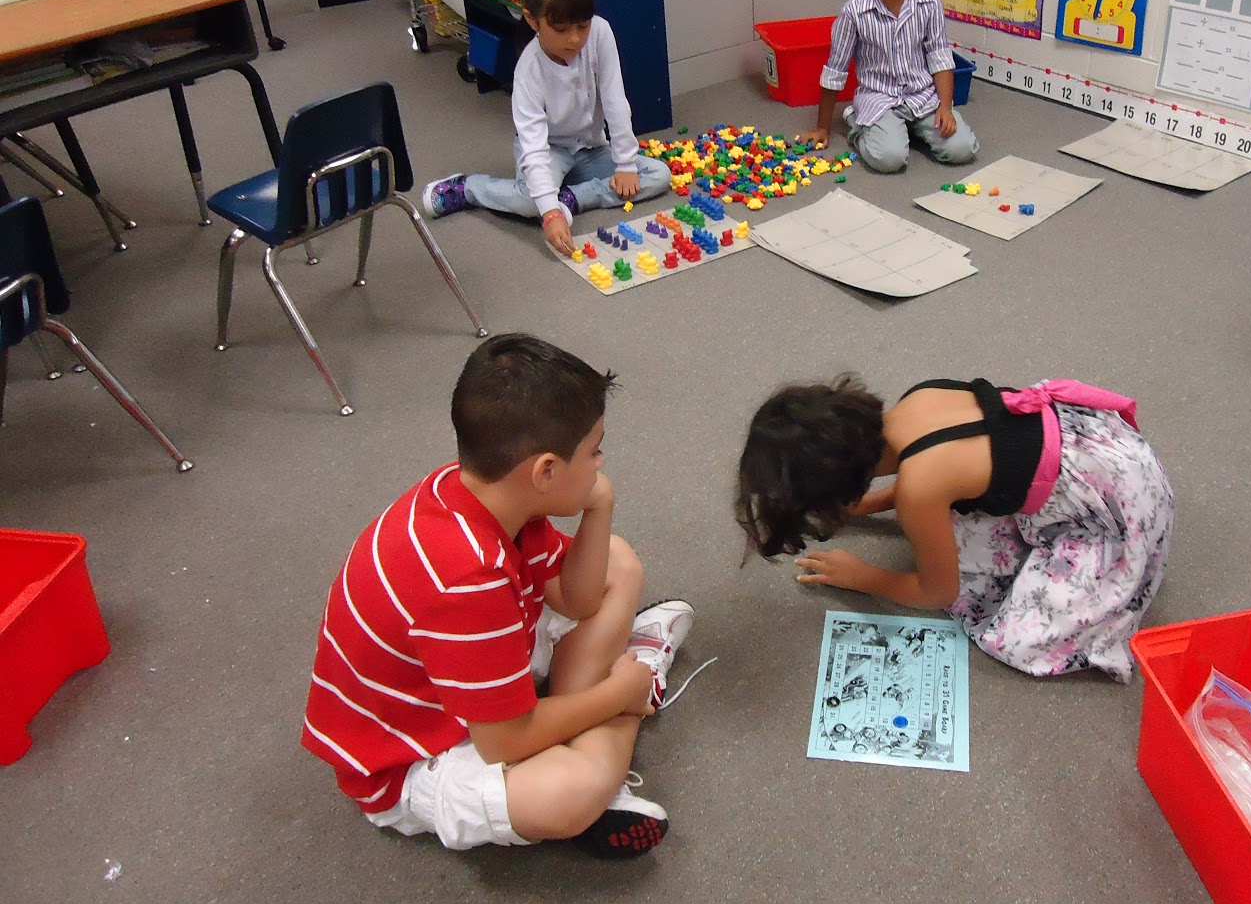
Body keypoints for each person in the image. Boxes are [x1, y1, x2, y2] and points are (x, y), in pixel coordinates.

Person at [301, 334, 695, 857]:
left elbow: (575, 600)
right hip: (413, 759)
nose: (601, 463)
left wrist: (598, 509)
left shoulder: (482, 494)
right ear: (546, 472)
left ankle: (589, 733)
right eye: (594, 450)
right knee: (572, 791)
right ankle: (631, 691)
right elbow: (504, 741)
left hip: (473, 678)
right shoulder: (467, 579)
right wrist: (619, 696)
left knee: (615, 560)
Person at [736, 375, 1173, 682]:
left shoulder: (918, 491)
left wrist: (864, 578)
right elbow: (940, 470)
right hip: (1100, 443)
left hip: (1116, 505)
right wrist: (869, 506)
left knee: (1018, 637)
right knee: (945, 526)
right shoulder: (917, 401)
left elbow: (938, 591)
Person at [421, 0, 671, 256]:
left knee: (658, 175)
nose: (576, 38)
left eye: (583, 25)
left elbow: (616, 100)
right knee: (532, 201)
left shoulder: (601, 33)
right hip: (550, 150)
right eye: (562, 29)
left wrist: (626, 164)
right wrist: (550, 215)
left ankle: (571, 199)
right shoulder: (529, 71)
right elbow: (534, 148)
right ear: (532, 19)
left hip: (590, 150)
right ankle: (469, 188)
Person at [804, 0, 978, 173]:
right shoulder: (854, 12)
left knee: (962, 149)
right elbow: (834, 72)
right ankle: (859, 124)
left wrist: (945, 106)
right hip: (879, 99)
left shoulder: (929, 2)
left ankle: (914, 129)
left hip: (923, 97)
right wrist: (822, 128)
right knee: (890, 159)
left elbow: (940, 58)